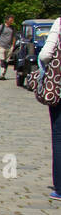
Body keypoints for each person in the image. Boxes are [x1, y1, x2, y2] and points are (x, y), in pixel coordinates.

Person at [41, 18, 61, 200]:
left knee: (59, 136)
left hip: (59, 87)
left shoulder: (60, 23)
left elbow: (45, 55)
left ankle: (60, 187)